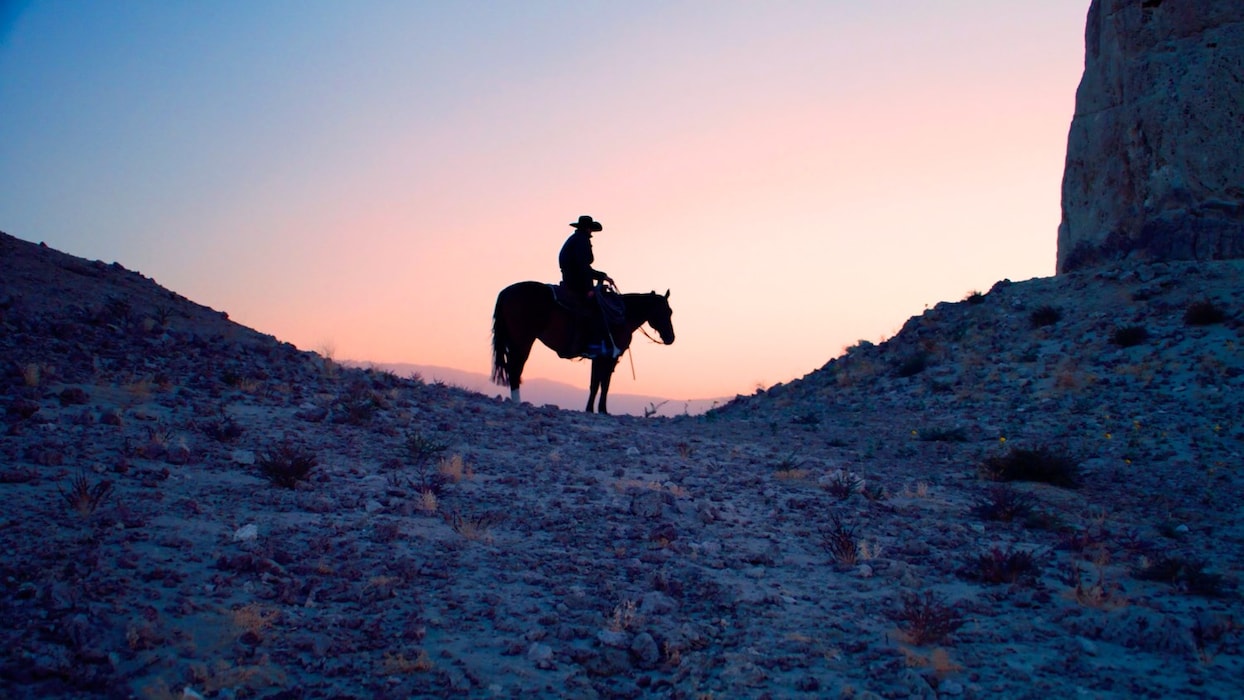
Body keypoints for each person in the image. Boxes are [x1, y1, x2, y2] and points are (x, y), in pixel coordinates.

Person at [559, 215, 616, 357]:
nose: (591, 233)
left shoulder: (576, 239)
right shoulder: (582, 241)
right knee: (598, 308)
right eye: (591, 229)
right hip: (577, 281)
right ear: (588, 228)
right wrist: (589, 288)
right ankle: (593, 345)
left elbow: (582, 267)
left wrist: (602, 276)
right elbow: (583, 267)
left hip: (572, 277)